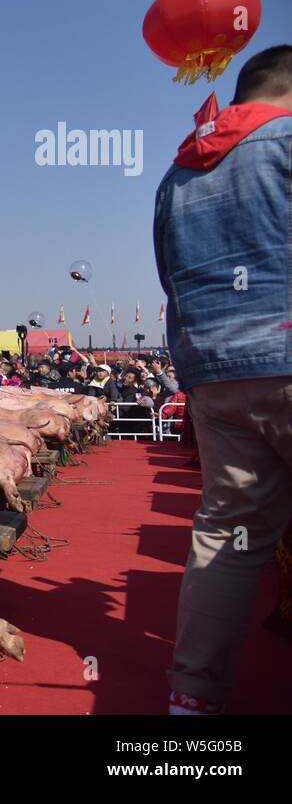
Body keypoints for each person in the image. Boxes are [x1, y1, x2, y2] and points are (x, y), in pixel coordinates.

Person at [154, 44, 292, 714]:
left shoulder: (178, 173)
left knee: (227, 538)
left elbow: (169, 280)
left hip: (214, 373)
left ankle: (194, 697)